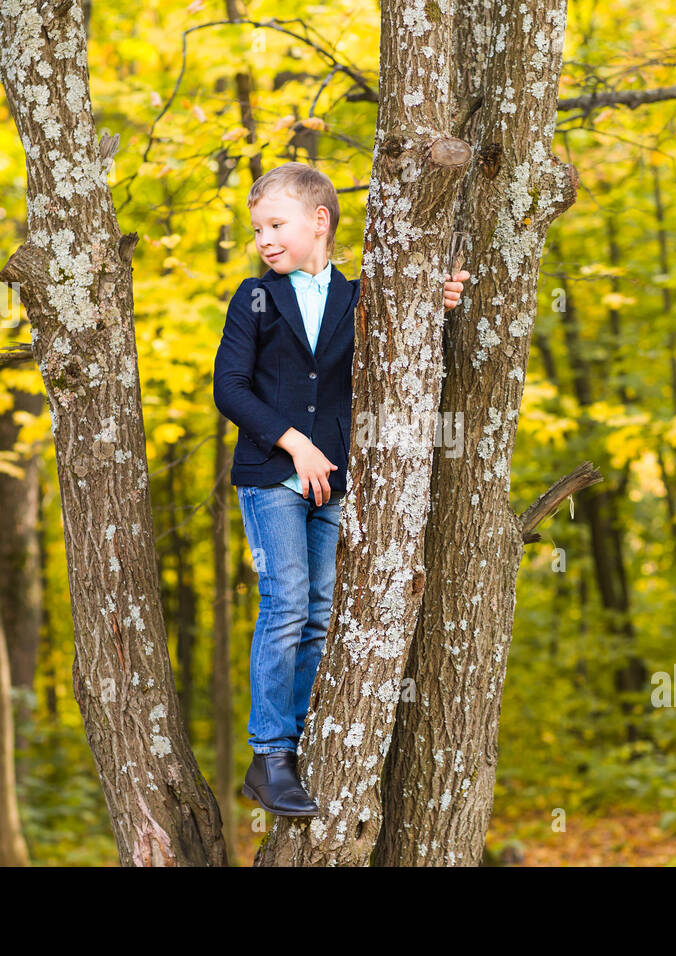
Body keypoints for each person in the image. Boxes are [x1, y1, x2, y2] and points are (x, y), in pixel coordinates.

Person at [212, 162, 469, 816]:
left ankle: (294, 741)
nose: (265, 239)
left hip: (336, 481)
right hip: (273, 475)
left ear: (319, 220)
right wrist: (292, 443)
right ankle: (269, 754)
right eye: (258, 229)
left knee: (322, 610)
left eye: (277, 224)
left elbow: (403, 339)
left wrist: (437, 300)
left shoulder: (361, 297)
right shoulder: (254, 298)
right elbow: (230, 389)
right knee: (287, 601)